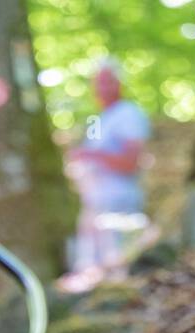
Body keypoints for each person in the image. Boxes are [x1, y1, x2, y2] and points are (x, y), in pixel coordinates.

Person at [66, 61, 151, 282]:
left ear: (119, 84)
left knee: (119, 270)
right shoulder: (101, 119)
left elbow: (132, 162)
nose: (101, 88)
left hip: (119, 204)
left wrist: (92, 157)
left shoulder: (129, 114)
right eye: (98, 83)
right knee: (93, 271)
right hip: (94, 205)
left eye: (107, 82)